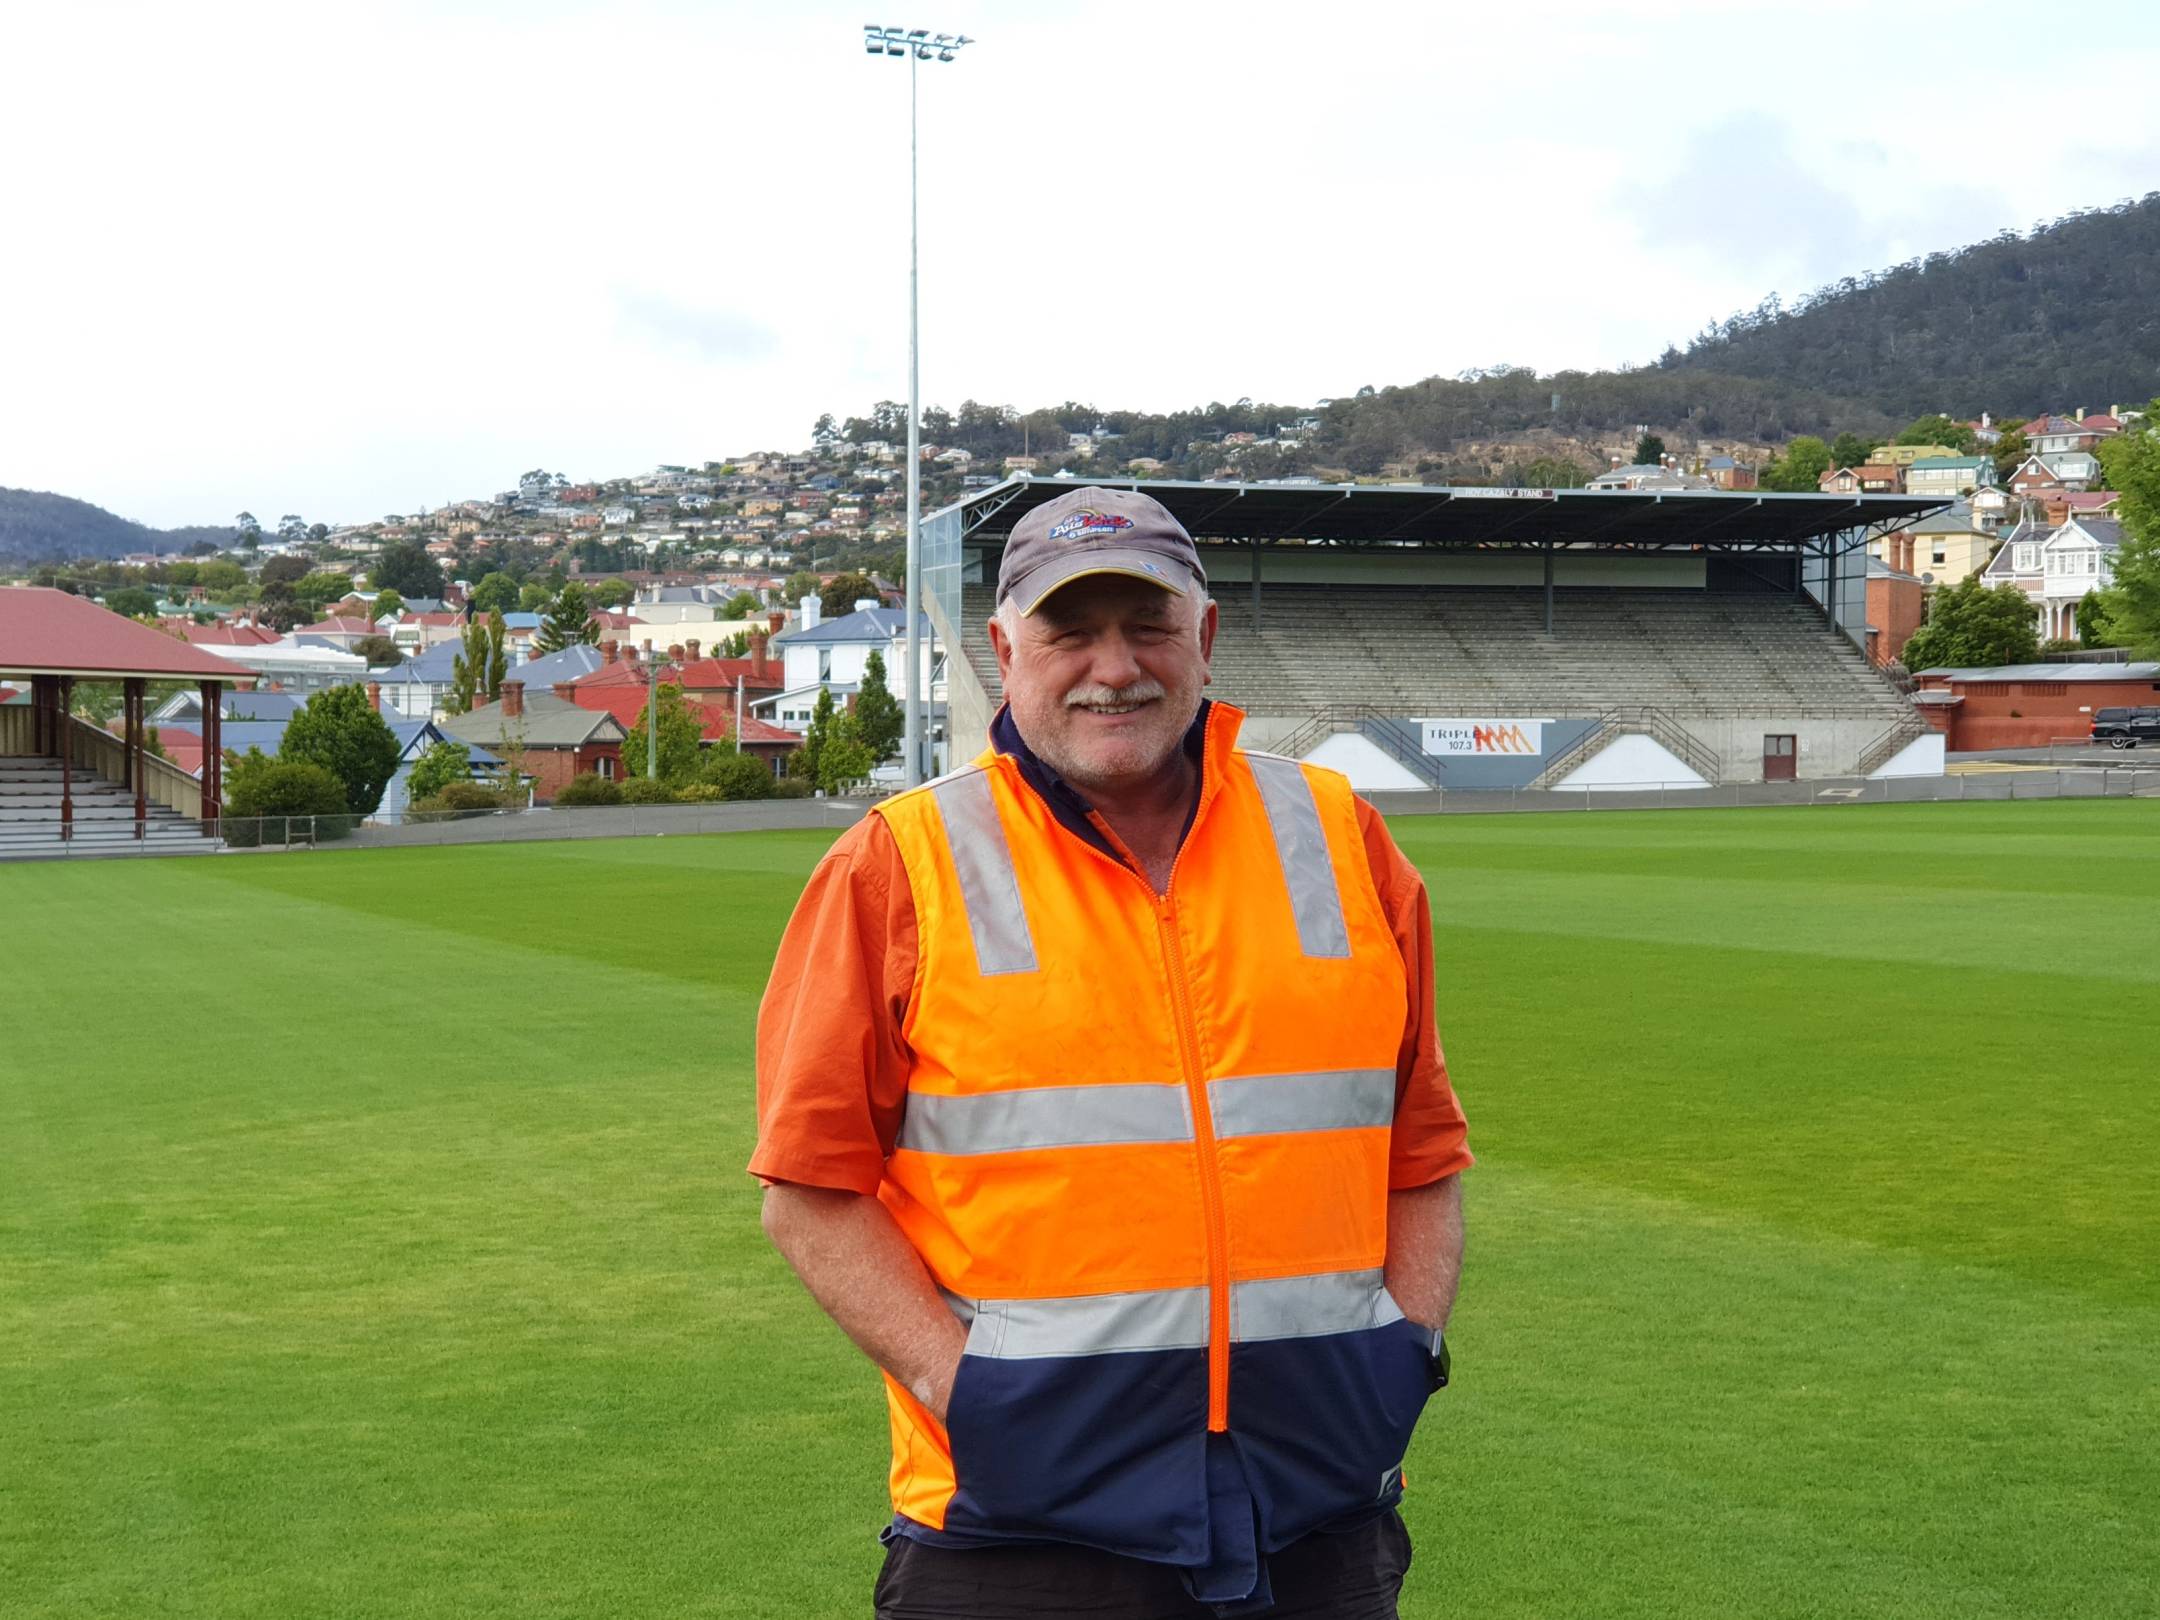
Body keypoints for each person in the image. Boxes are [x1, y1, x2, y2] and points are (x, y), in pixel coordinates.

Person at [753, 486, 1471, 1618]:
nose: (1114, 667)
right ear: (1003, 649)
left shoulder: (1342, 839)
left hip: (1320, 1520)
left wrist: (1406, 1354)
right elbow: (808, 1190)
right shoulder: (898, 864)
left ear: (1206, 637)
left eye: (1147, 625)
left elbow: (1422, 1151)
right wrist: (968, 1395)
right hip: (1015, 1534)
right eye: (1069, 630)